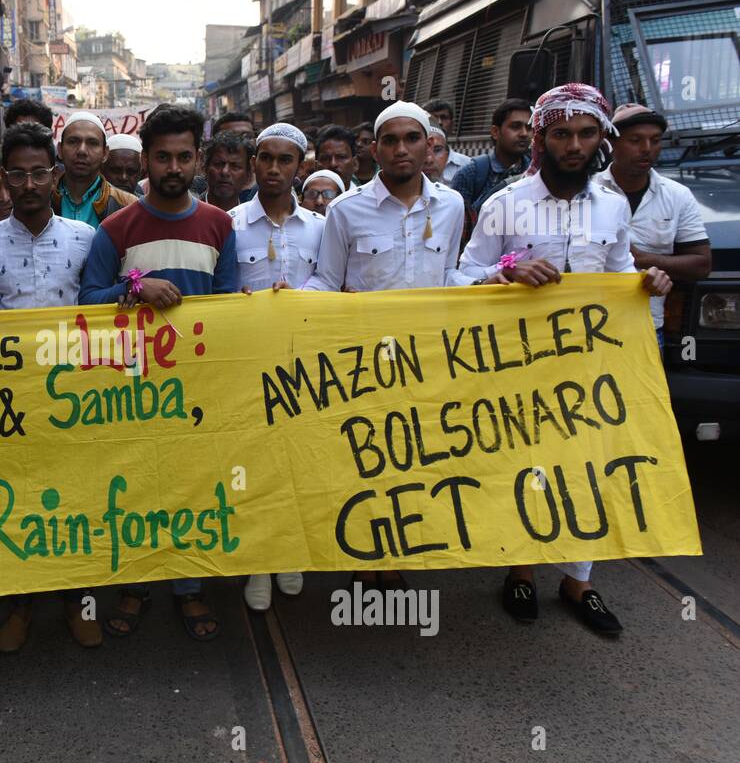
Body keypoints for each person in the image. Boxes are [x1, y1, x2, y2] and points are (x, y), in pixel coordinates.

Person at [457, 83, 673, 635]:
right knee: (525, 466)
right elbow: (461, 274)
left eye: (586, 133)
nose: (574, 144)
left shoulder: (614, 204)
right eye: (561, 134)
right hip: (520, 369)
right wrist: (505, 272)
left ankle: (579, 580)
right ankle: (520, 570)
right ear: (542, 139)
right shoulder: (506, 204)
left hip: (592, 367)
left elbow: (621, 268)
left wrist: (647, 280)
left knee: (589, 466)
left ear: (602, 138)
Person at [79, 104, 237, 643]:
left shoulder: (220, 225)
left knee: (193, 490)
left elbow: (230, 305)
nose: (174, 167)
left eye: (184, 156)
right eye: (163, 157)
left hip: (198, 390)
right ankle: (137, 584)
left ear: (199, 160)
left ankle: (189, 588)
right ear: (145, 159)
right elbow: (88, 302)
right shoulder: (115, 228)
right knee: (137, 489)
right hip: (131, 393)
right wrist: (133, 289)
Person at [305, 101, 466, 592]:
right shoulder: (344, 209)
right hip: (364, 362)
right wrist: (282, 301)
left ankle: (401, 545)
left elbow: (454, 273)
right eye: (390, 140)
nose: (401, 149)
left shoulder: (453, 205)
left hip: (429, 359)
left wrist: (499, 283)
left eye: (412, 139)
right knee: (367, 458)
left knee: (416, 457)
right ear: (373, 150)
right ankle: (365, 551)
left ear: (429, 145)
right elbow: (326, 281)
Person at [0, 124, 101, 652]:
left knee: (78, 502)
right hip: (10, 400)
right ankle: (20, 605)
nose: (28, 184)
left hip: (75, 396)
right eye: (17, 174)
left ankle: (79, 602)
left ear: (55, 176)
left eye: (39, 173)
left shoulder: (86, 238)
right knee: (19, 506)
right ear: (4, 178)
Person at [231, 123, 322, 611]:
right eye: (265, 158)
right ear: (253, 164)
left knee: (295, 467)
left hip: (303, 367)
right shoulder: (229, 223)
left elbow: (330, 282)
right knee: (252, 467)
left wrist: (300, 300)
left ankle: (288, 551)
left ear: (300, 167)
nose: (273, 168)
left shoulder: (320, 227)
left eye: (285, 160)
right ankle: (256, 562)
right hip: (247, 368)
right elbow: (220, 290)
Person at [596, 104, 711, 349]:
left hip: (647, 327)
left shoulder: (678, 195)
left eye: (655, 140)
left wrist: (642, 259)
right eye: (635, 140)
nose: (647, 149)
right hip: (589, 325)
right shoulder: (587, 191)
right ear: (612, 143)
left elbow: (701, 264)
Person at [450, 97, 533, 235]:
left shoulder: (536, 172)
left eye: (529, 128)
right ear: (495, 132)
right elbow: (456, 228)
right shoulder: (471, 173)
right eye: (515, 126)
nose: (524, 133)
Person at [55, 111, 136, 227]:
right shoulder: (41, 198)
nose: (82, 150)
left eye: (92, 143)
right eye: (73, 142)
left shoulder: (129, 205)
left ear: (105, 153)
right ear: (60, 150)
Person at [203, 130, 254, 212]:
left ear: (248, 175)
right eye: (218, 164)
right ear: (205, 168)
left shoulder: (252, 219)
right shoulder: (188, 214)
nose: (225, 172)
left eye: (235, 167)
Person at [422, 98, 471, 183]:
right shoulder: (410, 163)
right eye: (433, 118)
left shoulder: (467, 165)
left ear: (452, 125)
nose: (439, 122)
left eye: (444, 118)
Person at [314, 125, 361, 192]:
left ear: (355, 164)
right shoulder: (304, 200)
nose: (333, 164)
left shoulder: (369, 201)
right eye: (325, 158)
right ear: (316, 167)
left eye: (341, 157)